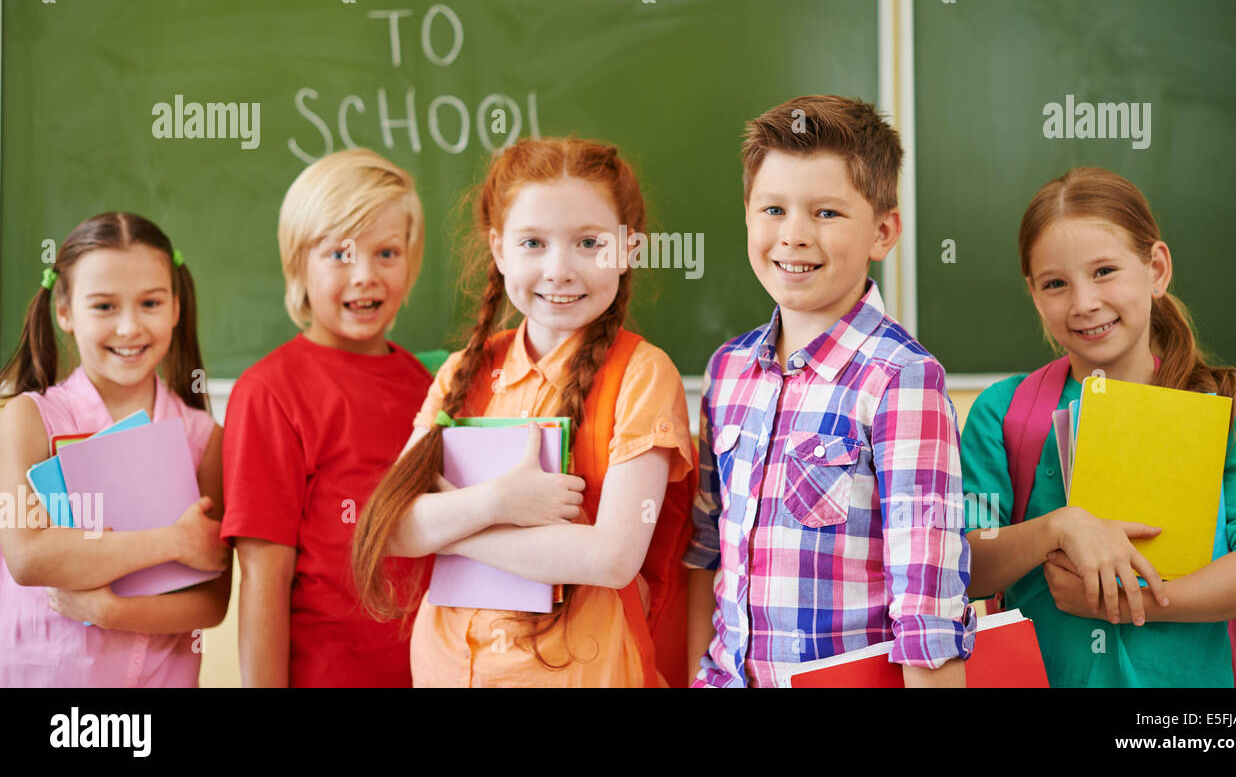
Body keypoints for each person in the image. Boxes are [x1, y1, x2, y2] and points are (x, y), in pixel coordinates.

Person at [353, 137, 696, 687]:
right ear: (499, 249)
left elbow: (612, 558)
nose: (559, 270)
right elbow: (390, 526)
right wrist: (499, 501)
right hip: (447, 667)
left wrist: (451, 529)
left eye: (589, 242)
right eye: (533, 242)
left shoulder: (641, 374)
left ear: (628, 247)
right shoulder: (464, 371)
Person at [961, 166, 1236, 686]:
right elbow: (960, 567)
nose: (1084, 303)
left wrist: (1131, 604)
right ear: (1033, 293)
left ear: (1156, 269)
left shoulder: (1218, 405)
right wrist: (1056, 528)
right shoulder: (1004, 413)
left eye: (1104, 271)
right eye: (1055, 284)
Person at [684, 95, 974, 687]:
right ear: (747, 216)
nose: (793, 235)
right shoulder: (728, 370)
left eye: (826, 213)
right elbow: (706, 549)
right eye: (773, 209)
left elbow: (928, 613)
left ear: (883, 232)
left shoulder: (902, 380)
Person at [221, 149, 432, 686]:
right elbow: (264, 580)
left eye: (387, 253)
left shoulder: (428, 385)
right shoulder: (269, 393)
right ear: (299, 265)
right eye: (340, 254)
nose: (365, 276)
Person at [0, 212, 230, 686]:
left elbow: (212, 603)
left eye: (150, 303)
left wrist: (108, 610)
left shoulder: (205, 437)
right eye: (104, 306)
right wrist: (176, 542)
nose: (129, 327)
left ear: (176, 308)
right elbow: (27, 557)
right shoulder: (28, 418)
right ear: (64, 312)